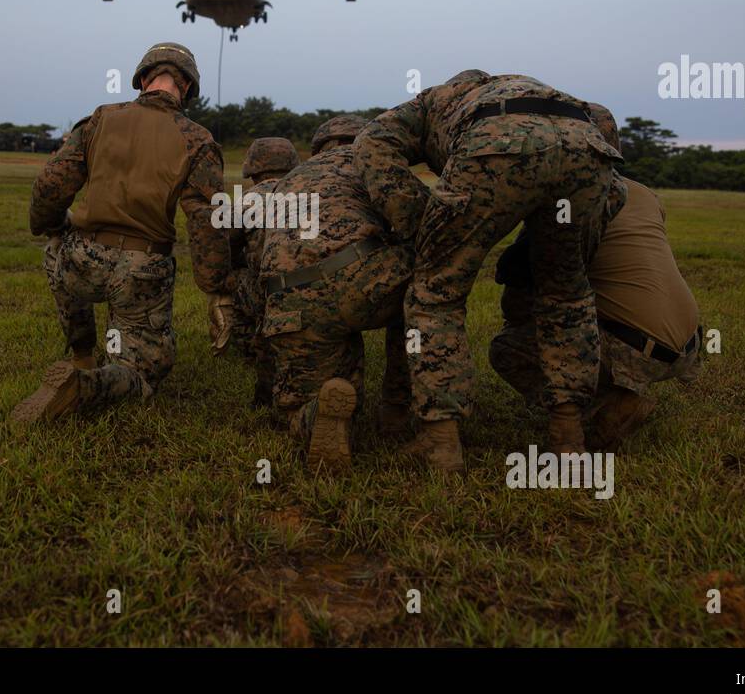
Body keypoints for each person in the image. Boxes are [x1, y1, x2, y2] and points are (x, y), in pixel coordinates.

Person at [353, 70, 624, 471]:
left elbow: (371, 143)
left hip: (495, 144)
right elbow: (602, 121)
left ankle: (440, 440)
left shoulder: (429, 102)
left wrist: (415, 222)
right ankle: (568, 438)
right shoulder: (526, 87)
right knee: (566, 292)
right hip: (586, 146)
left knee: (435, 292)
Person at [12, 42, 233, 422]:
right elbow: (206, 222)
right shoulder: (197, 139)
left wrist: (49, 228)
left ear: (144, 78)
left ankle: (81, 355)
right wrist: (216, 289)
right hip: (141, 269)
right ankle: (88, 384)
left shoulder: (100, 119)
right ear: (187, 88)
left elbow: (50, 185)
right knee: (141, 374)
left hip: (81, 260)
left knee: (54, 250)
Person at [490, 105, 701, 449]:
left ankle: (606, 404)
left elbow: (516, 275)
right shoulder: (644, 192)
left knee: (507, 348)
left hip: (637, 346)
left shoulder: (563, 196)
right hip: (688, 344)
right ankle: (621, 386)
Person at [258, 115, 412, 470]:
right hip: (360, 283)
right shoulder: (372, 161)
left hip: (289, 303)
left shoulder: (286, 182)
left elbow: (259, 263)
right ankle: (398, 408)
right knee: (425, 291)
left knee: (298, 404)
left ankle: (312, 413)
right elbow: (413, 221)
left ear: (316, 148)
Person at [227, 136, 300, 408]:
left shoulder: (245, 201)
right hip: (313, 290)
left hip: (266, 293)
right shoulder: (309, 193)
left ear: (252, 169)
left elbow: (228, 251)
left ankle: (247, 348)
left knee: (235, 281)